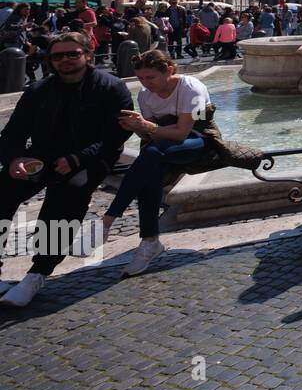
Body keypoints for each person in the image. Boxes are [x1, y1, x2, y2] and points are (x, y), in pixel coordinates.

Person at [0, 32, 133, 307]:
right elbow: (12, 133)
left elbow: (116, 137)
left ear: (87, 54)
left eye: (72, 53)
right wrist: (13, 160)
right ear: (50, 61)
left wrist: (77, 158)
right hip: (42, 156)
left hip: (89, 160)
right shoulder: (38, 90)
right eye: (58, 56)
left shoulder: (112, 88)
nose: (65, 60)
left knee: (65, 202)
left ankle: (38, 273)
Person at [100, 50, 213, 276]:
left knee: (150, 156)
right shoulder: (144, 95)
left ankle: (110, 218)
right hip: (161, 147)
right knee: (150, 170)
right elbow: (153, 136)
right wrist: (138, 128)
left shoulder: (190, 87)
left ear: (170, 70)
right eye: (141, 78)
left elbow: (182, 133)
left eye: (150, 77)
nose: (145, 83)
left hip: (200, 142)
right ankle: (149, 241)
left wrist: (147, 128)